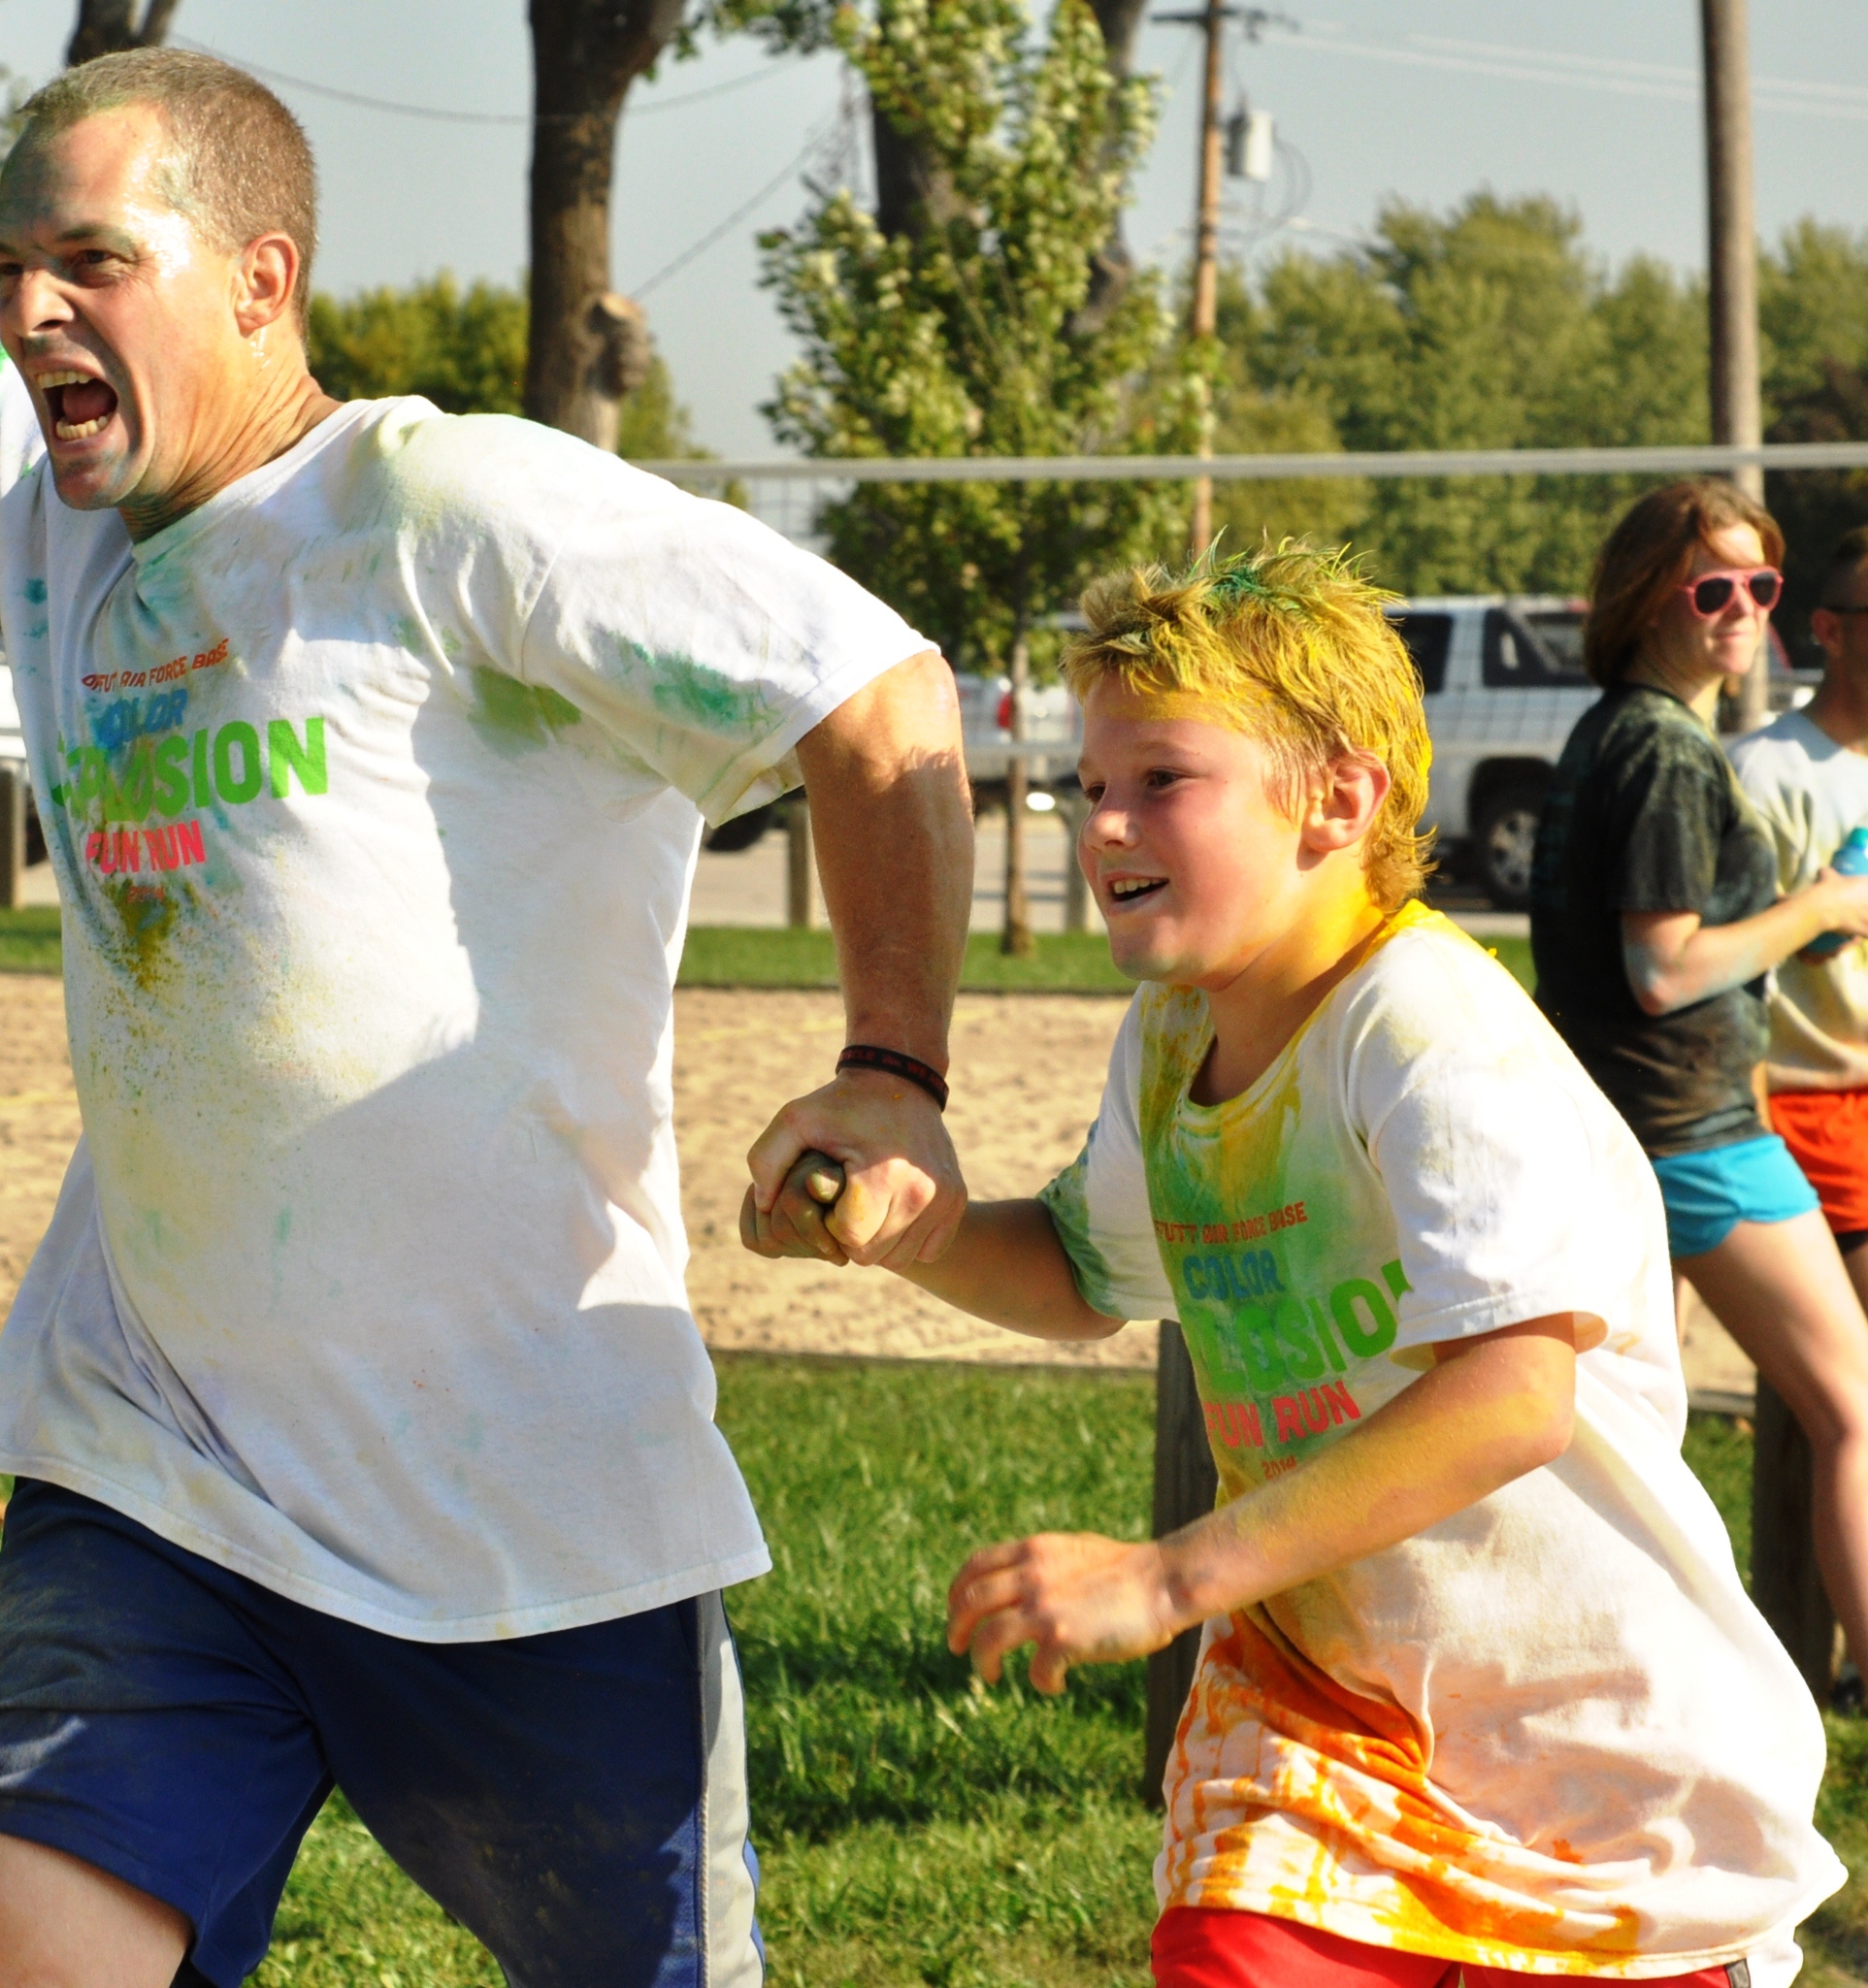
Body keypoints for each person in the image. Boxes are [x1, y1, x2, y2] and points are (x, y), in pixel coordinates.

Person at [0, 49, 973, 1988]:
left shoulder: (448, 507)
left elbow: (876, 691)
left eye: (92, 259)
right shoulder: (51, 498)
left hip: (527, 1503)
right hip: (156, 1465)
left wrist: (894, 1069)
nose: (31, 311)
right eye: (17, 262)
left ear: (261, 283)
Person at [751, 541, 1841, 1985]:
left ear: (1338, 798)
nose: (1105, 825)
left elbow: (1517, 1395)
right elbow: (1085, 1277)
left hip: (1596, 1746)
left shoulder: (1427, 1031)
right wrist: (921, 1231)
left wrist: (1164, 1577)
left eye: (1163, 781)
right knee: (1231, 1947)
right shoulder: (1174, 1036)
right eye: (1093, 786)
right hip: (1328, 1708)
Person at [1527, 482, 1868, 1677]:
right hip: (1690, 1134)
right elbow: (1662, 970)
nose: (1739, 609)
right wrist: (1817, 907)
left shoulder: (1608, 734)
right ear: (1644, 601)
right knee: (1854, 1411)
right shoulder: (1666, 749)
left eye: (1758, 585)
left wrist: (1778, 927)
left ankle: (1603, 1679)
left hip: (1625, 1129)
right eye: (1709, 588)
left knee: (1623, 1438)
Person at [1733, 524, 1868, 1292]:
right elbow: (1719, 957)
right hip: (1812, 1112)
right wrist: (1812, 919)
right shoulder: (1764, 772)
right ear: (1827, 631)